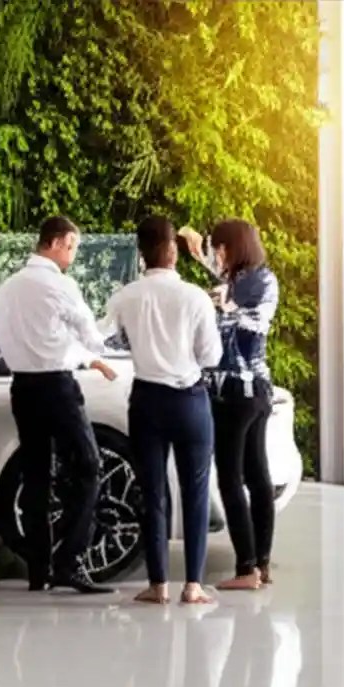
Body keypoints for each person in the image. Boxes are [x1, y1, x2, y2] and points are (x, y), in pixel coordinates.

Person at [0, 216, 118, 594]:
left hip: (23, 389)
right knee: (90, 467)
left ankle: (38, 570)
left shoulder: (7, 289)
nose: (74, 255)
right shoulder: (60, 286)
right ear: (60, 242)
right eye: (74, 247)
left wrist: (80, 356)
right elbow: (92, 337)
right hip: (58, 390)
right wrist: (97, 348)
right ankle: (70, 560)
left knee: (37, 477)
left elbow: (5, 341)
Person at [99, 216, 223, 604]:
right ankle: (194, 585)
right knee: (195, 490)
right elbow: (212, 355)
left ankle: (158, 585)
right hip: (189, 401)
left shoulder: (125, 296)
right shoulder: (196, 298)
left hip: (147, 401)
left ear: (141, 252)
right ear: (172, 251)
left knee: (152, 493)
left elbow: (101, 337)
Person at [204, 219, 280, 591]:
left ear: (231, 248)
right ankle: (260, 564)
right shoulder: (251, 280)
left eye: (219, 247)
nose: (216, 254)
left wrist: (223, 304)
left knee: (232, 478)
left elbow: (243, 319)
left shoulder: (250, 284)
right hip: (257, 390)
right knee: (256, 476)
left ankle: (247, 568)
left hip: (236, 392)